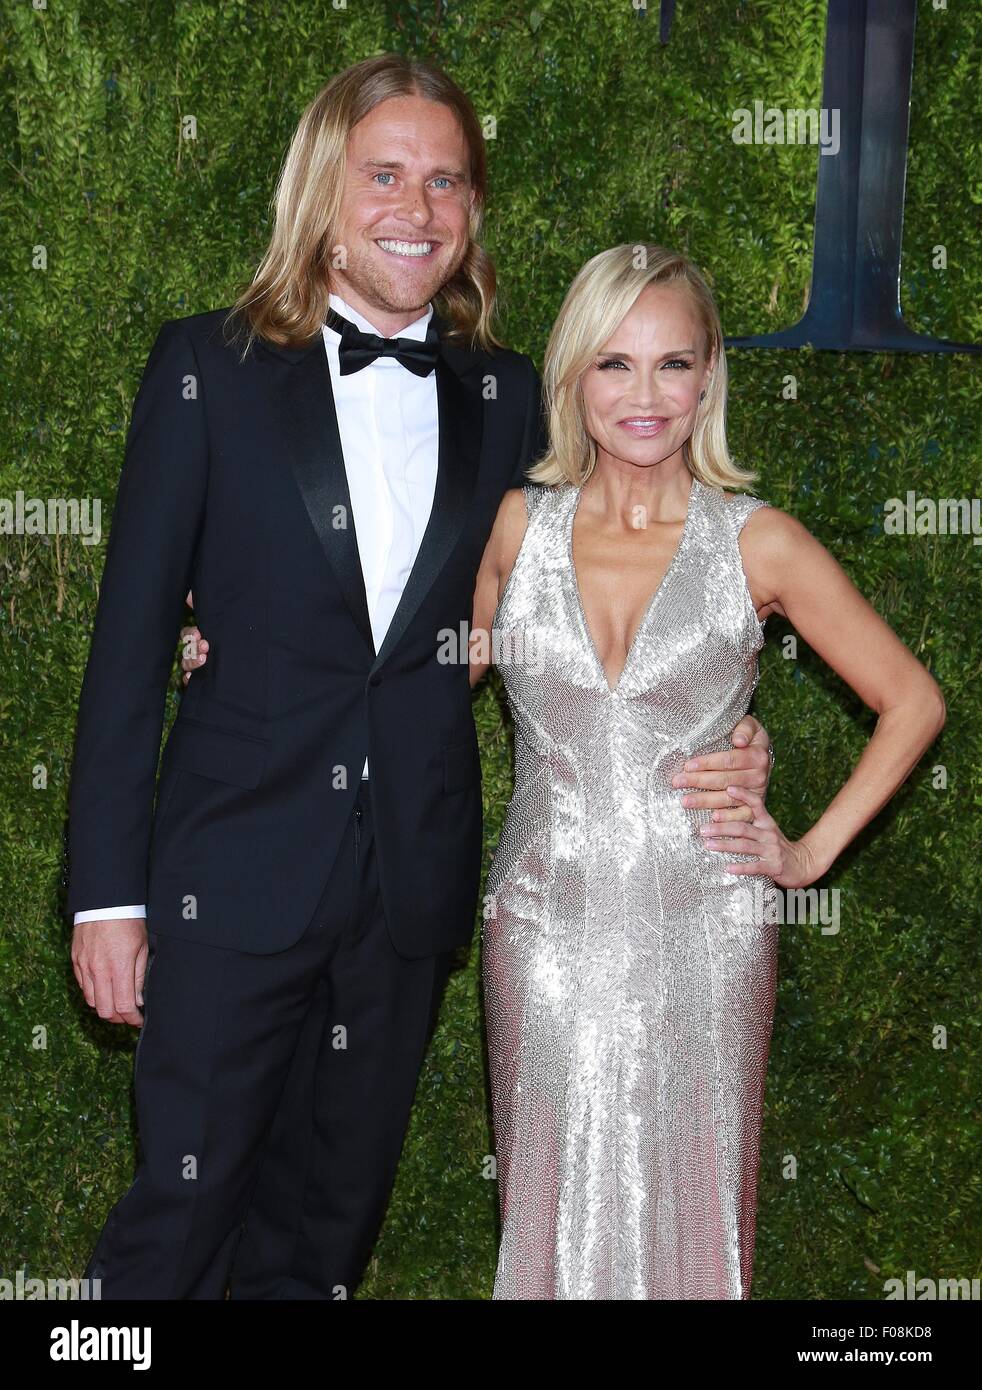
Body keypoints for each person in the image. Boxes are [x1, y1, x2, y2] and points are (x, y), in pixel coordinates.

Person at [67, 60, 774, 1301]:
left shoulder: (504, 397)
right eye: (384, 174)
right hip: (225, 875)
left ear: (471, 209)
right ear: (323, 190)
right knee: (172, 1229)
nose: (418, 206)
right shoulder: (205, 369)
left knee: (324, 1233)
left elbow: (606, 582)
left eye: (446, 179)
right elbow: (128, 647)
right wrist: (104, 897)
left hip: (407, 891)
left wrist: (729, 725)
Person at [468, 244, 945, 1298]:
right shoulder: (515, 529)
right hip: (541, 927)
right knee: (545, 1206)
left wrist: (806, 851)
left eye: (672, 364)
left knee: (697, 1216)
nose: (644, 395)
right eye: (613, 364)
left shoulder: (757, 542)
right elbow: (413, 686)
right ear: (572, 377)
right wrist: (243, 647)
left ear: (708, 378)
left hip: (706, 928)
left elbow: (913, 701)